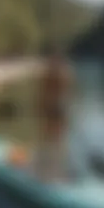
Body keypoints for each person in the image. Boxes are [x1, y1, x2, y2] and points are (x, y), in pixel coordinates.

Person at [35, 44, 73, 181]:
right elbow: (66, 92)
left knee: (48, 139)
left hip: (53, 107)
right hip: (60, 107)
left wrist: (40, 107)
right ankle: (56, 171)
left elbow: (44, 92)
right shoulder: (65, 72)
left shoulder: (50, 72)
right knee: (57, 141)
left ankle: (45, 171)